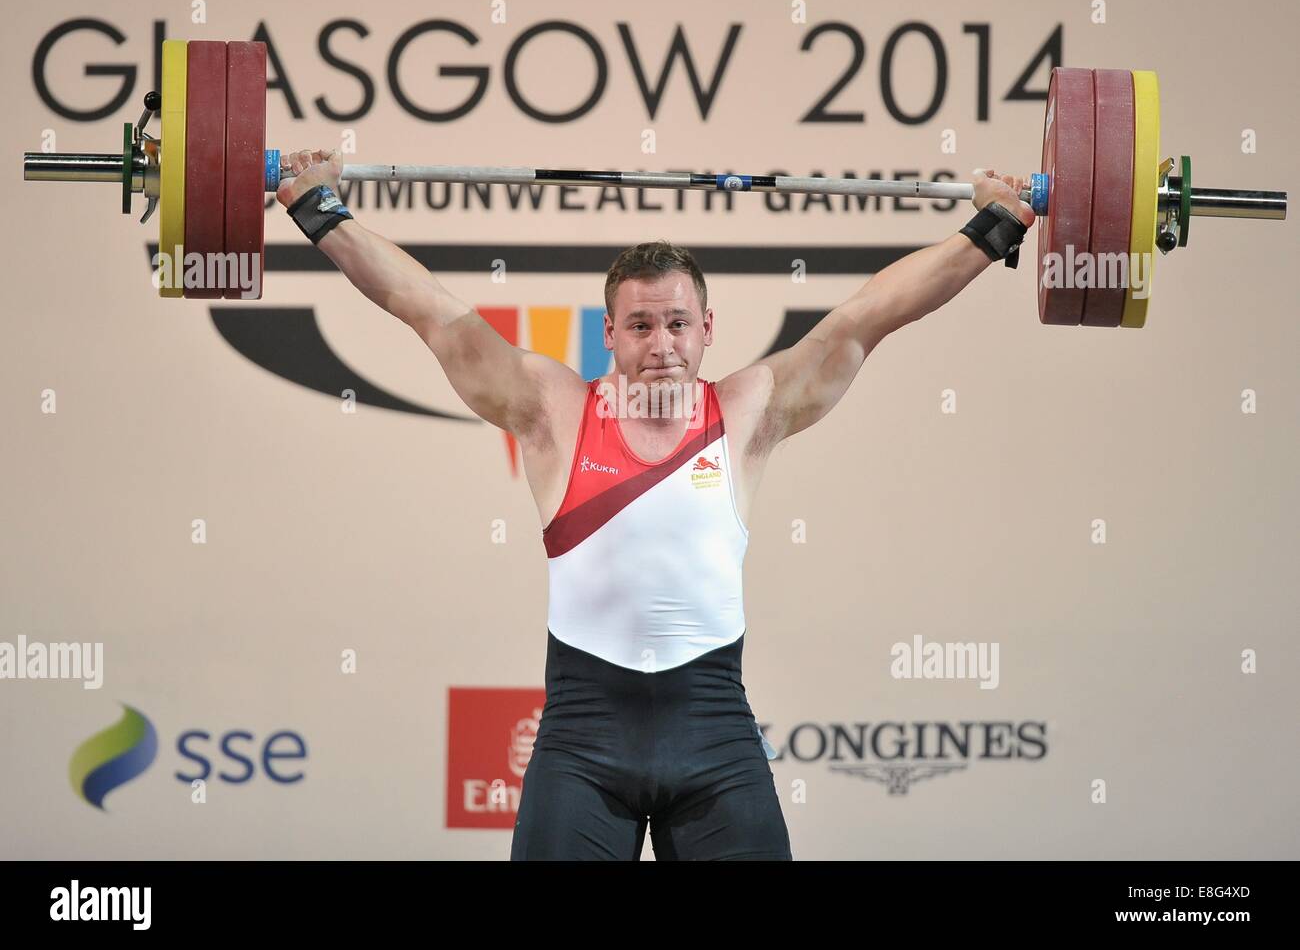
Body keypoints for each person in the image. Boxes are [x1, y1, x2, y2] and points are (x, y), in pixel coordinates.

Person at [276, 150, 1034, 860]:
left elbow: (871, 314)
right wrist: (319, 209)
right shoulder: (554, 412)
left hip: (716, 744)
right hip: (580, 749)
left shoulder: (748, 414)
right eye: (640, 324)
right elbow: (431, 310)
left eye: (677, 323)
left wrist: (990, 227)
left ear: (708, 330)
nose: (661, 342)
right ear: (610, 332)